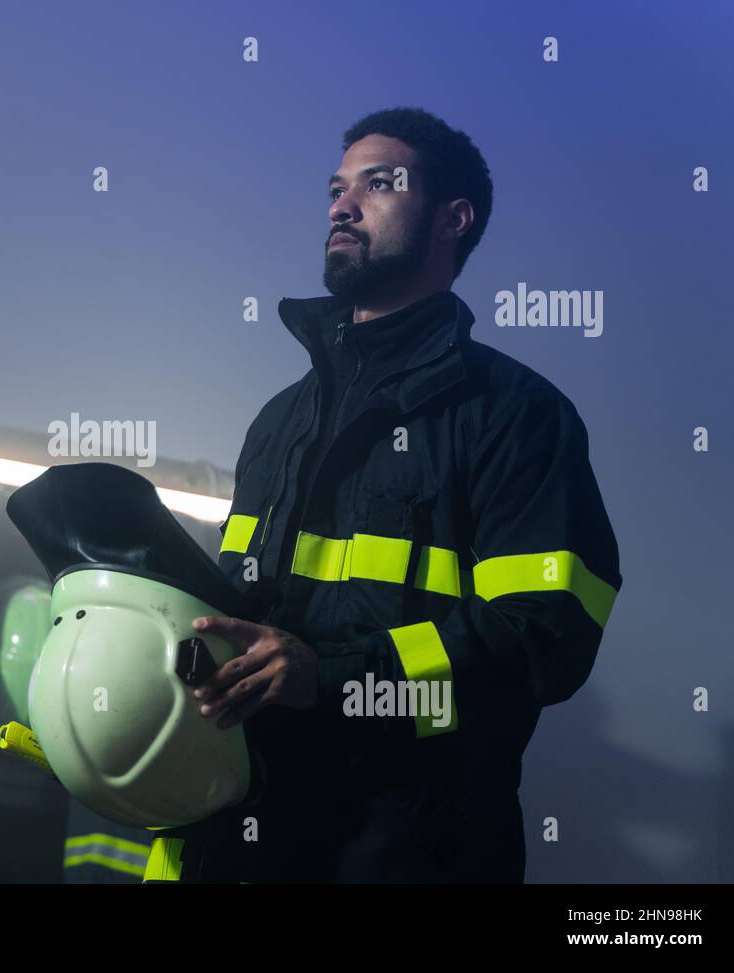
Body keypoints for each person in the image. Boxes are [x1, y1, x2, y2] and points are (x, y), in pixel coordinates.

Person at [177, 107, 622, 882]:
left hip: (412, 855)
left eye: (379, 184)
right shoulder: (278, 421)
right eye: (337, 188)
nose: (340, 206)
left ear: (454, 219)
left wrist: (337, 679)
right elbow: (242, 609)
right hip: (247, 843)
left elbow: (544, 637)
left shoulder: (519, 415)